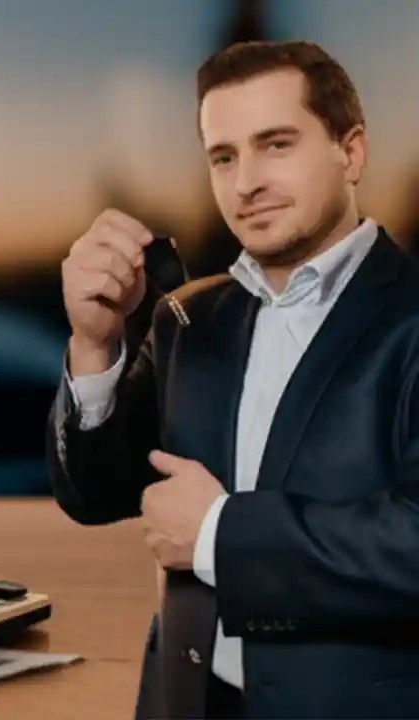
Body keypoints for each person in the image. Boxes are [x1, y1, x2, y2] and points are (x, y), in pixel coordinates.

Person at [47, 40, 419, 719]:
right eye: (224, 156)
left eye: (276, 145)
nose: (245, 181)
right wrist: (95, 344)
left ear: (352, 151)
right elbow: (97, 494)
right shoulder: (189, 317)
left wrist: (219, 533)